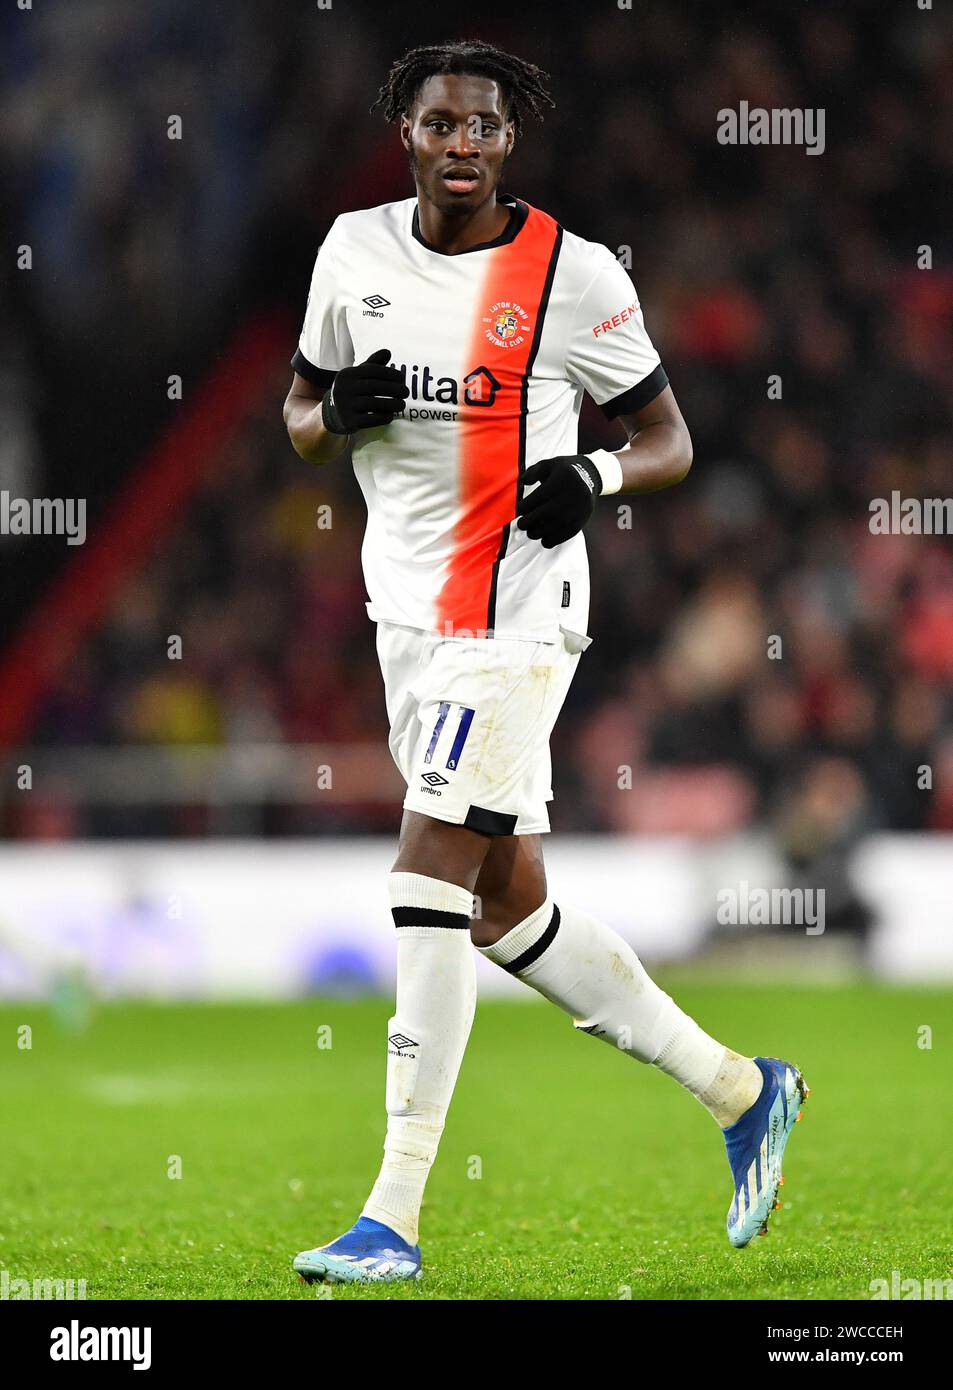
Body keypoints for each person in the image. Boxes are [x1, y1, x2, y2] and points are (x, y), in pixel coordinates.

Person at [283, 38, 808, 1284]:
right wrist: (331, 420)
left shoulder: (572, 274)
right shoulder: (349, 253)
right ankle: (741, 1091)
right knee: (506, 898)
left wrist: (594, 472)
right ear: (403, 132)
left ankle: (392, 1212)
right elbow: (299, 415)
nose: (460, 144)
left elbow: (668, 436)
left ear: (510, 141)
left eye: (482, 127)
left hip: (517, 618)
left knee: (428, 874)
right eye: (438, 124)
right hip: (403, 617)